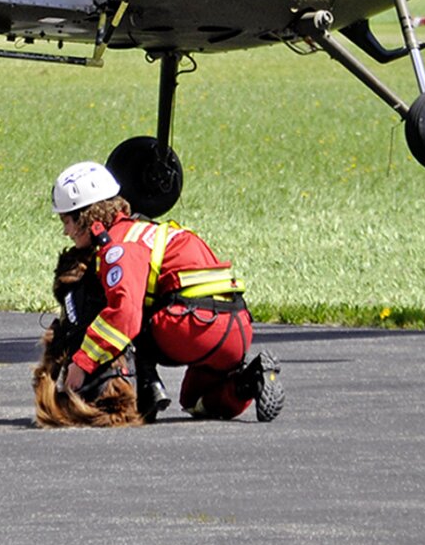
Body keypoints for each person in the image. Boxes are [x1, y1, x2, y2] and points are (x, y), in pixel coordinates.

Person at [48, 159, 283, 423]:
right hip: (236, 330)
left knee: (124, 319)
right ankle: (250, 378)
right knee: (195, 401)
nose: (66, 232)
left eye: (66, 221)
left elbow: (124, 314)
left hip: (191, 326)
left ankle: (149, 392)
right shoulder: (152, 231)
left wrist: (82, 363)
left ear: (87, 216)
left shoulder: (120, 246)